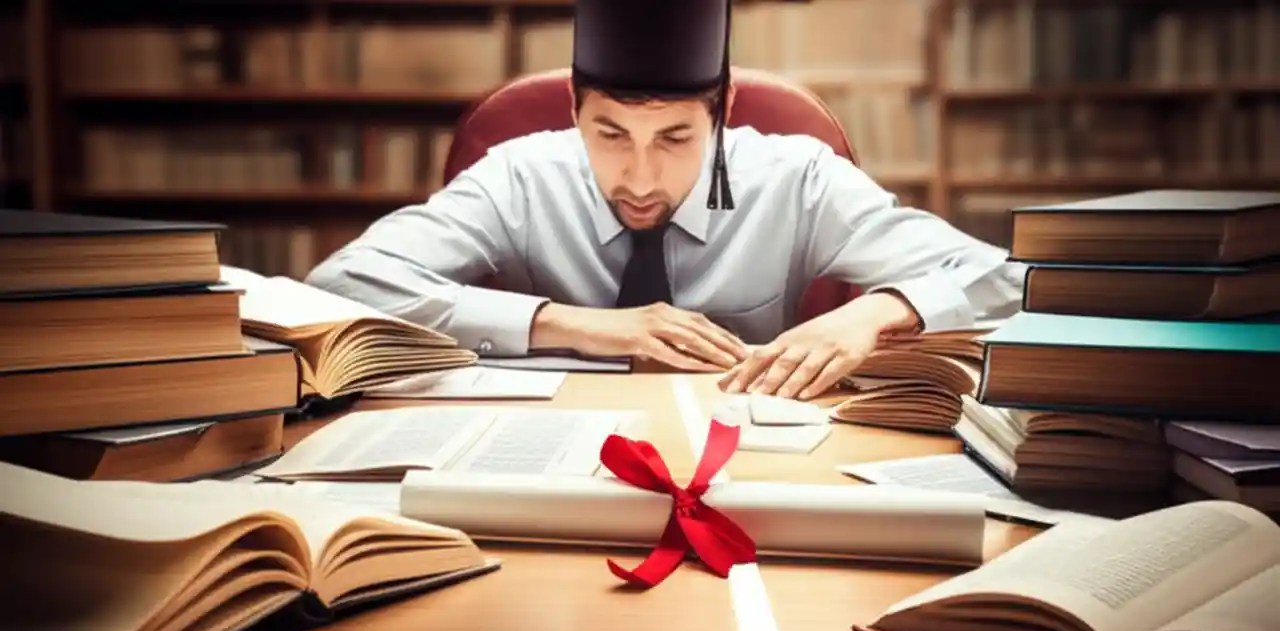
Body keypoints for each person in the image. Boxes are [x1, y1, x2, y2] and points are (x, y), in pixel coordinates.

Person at [307, 0, 1023, 400]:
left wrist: (877, 312)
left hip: (745, 468)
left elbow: (1011, 280)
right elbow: (338, 287)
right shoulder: (520, 176)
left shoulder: (797, 178)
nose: (641, 178)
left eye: (677, 137)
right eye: (610, 133)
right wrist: (577, 326)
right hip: (544, 469)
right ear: (573, 107)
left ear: (724, 111)